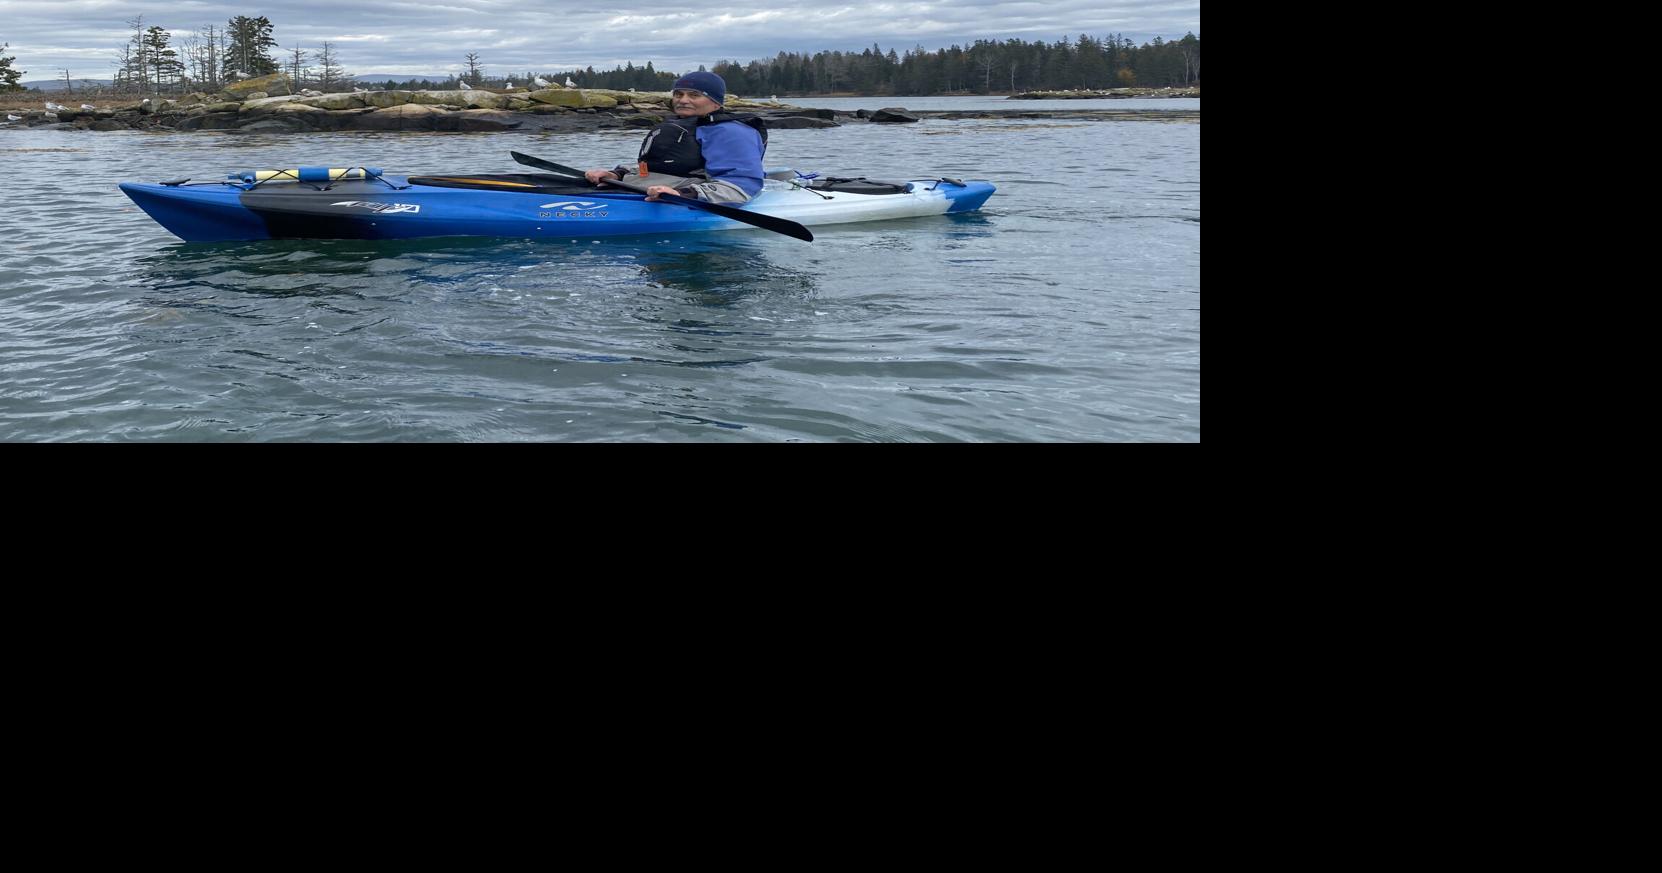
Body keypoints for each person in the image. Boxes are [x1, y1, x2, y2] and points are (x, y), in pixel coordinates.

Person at [584, 71, 768, 204]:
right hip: (645, 190)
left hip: (683, 198)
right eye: (678, 94)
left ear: (715, 102)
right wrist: (617, 174)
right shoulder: (681, 125)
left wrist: (682, 194)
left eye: (694, 95)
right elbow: (658, 168)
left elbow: (742, 184)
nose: (683, 100)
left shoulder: (731, 132)